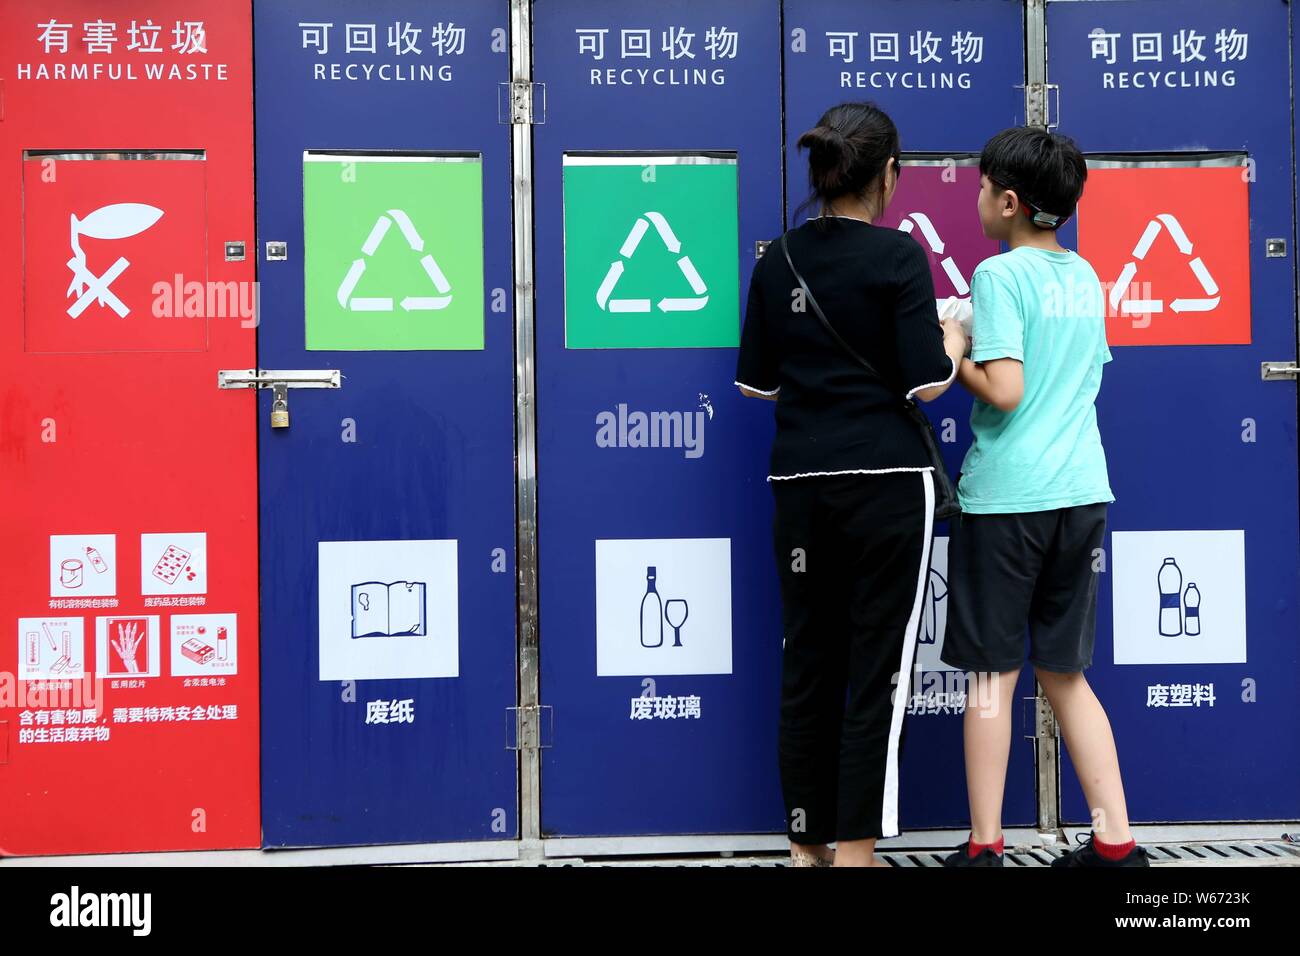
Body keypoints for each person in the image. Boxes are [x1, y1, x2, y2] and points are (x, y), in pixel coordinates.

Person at [736, 101, 968, 868]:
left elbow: (756, 386)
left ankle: (807, 850)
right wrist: (954, 336)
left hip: (801, 484)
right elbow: (929, 381)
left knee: (807, 665)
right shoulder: (899, 258)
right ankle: (858, 856)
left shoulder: (778, 261)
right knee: (875, 677)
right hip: (889, 488)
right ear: (888, 173)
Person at [940, 126, 1149, 867]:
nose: (975, 199)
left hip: (1008, 500)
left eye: (981, 186)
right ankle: (1116, 843)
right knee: (1066, 673)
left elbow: (1006, 391)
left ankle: (986, 848)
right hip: (1081, 491)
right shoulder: (1086, 276)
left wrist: (953, 347)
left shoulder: (999, 278)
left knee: (993, 676)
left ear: (1009, 201)